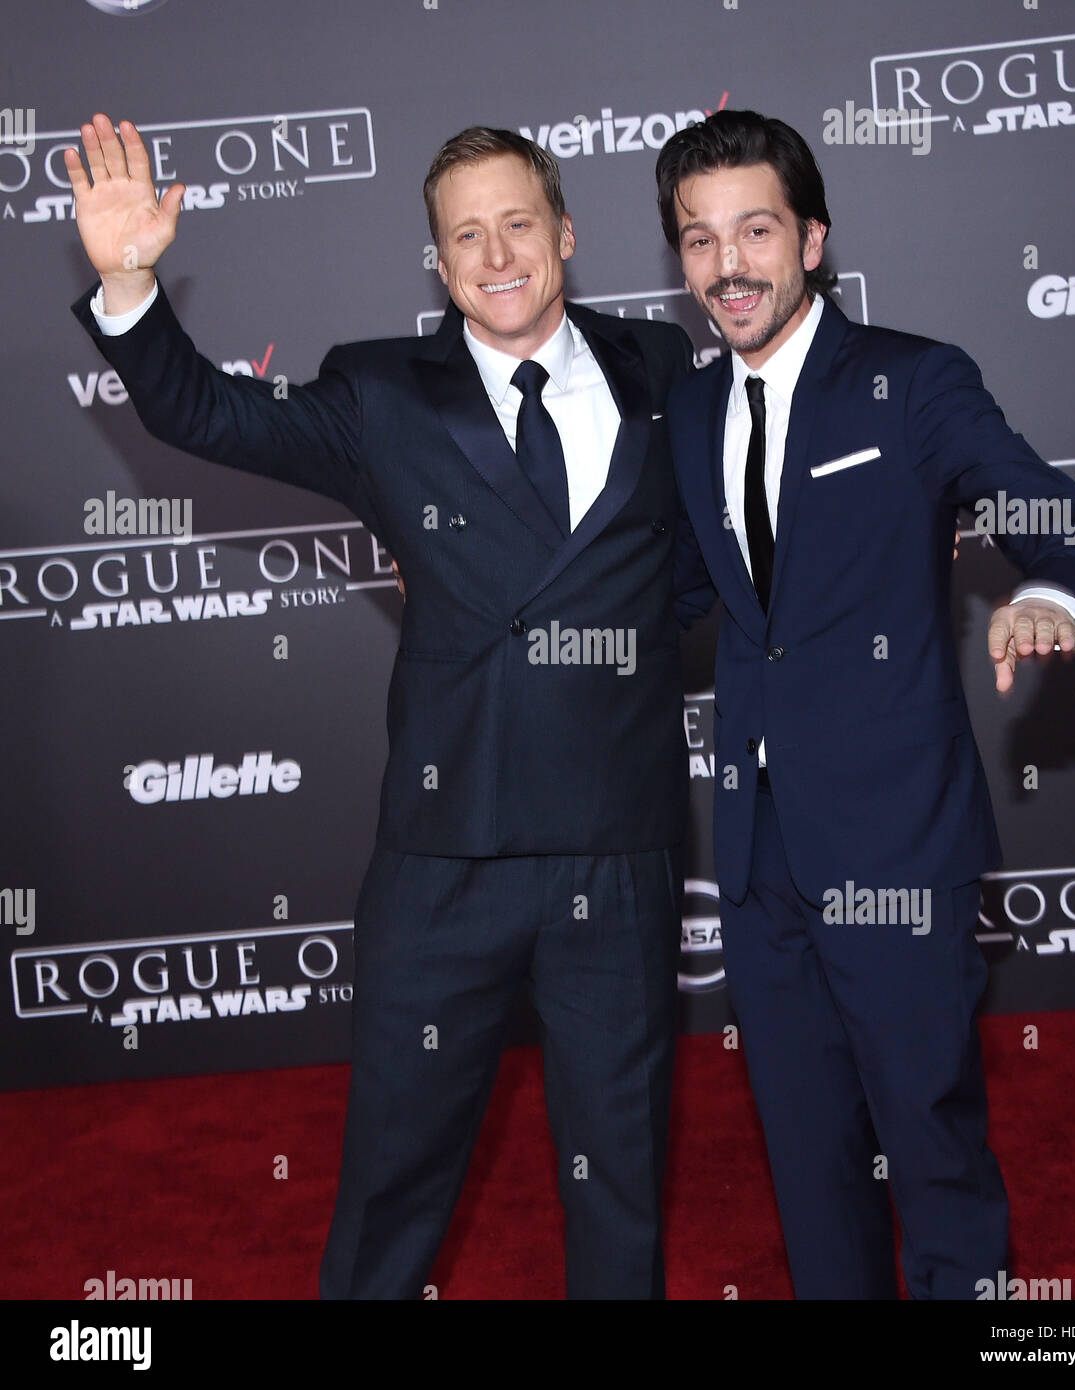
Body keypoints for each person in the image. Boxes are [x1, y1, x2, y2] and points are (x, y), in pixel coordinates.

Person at [65, 113, 707, 1299]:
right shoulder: (379, 392)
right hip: (443, 857)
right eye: (466, 235)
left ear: (565, 233)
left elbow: (710, 554)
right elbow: (205, 414)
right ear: (440, 264)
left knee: (616, 1176)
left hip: (614, 848)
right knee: (393, 1181)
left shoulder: (661, 372)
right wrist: (128, 278)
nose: (496, 252)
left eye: (518, 221)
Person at [655, 109, 1075, 1299]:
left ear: (812, 239)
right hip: (759, 869)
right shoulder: (694, 410)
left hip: (898, 847)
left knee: (929, 1149)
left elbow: (1046, 515)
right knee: (810, 1169)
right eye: (699, 241)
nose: (729, 266)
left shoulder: (911, 381)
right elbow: (666, 594)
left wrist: (1054, 599)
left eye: (754, 230)